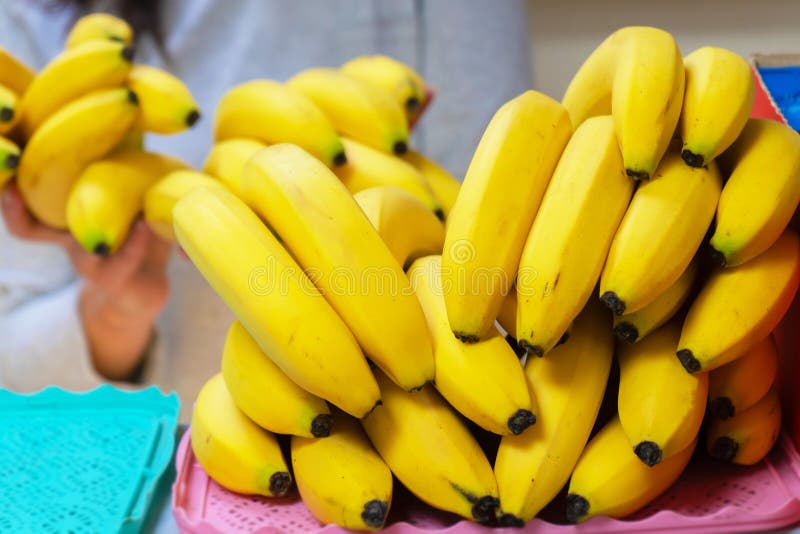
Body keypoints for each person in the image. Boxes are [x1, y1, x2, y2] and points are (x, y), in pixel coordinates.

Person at [0, 0, 532, 420]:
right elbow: (17, 372)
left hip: (495, 419)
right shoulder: (49, 31)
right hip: (222, 467)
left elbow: (520, 256)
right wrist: (114, 310)